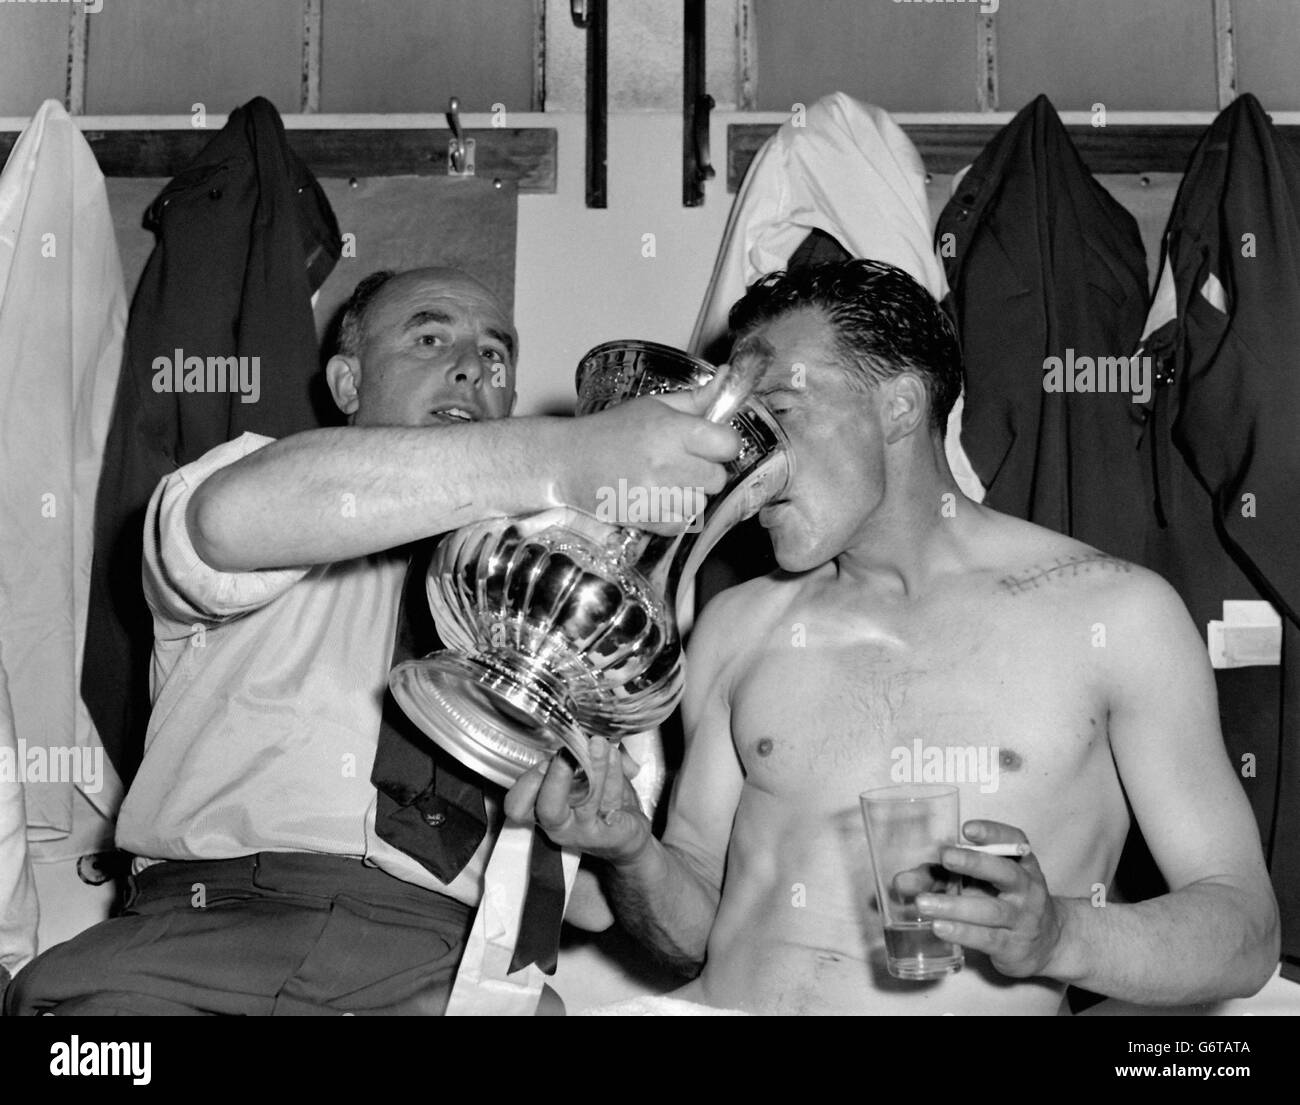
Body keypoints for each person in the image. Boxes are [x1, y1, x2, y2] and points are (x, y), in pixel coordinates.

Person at [506, 259, 1281, 1015]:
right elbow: (698, 928)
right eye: (738, 425)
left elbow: (1246, 933)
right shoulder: (737, 624)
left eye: (781, 408)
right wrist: (631, 852)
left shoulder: (1115, 617)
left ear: (900, 407)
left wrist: (1060, 933)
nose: (746, 455)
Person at [4, 266, 740, 1016]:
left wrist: (619, 849)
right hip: (195, 932)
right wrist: (564, 458)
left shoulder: (562, 601)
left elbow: (588, 906)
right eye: (428, 336)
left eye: (497, 355)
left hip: (440, 964)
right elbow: (225, 522)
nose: (469, 366)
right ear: (347, 382)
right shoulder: (262, 475)